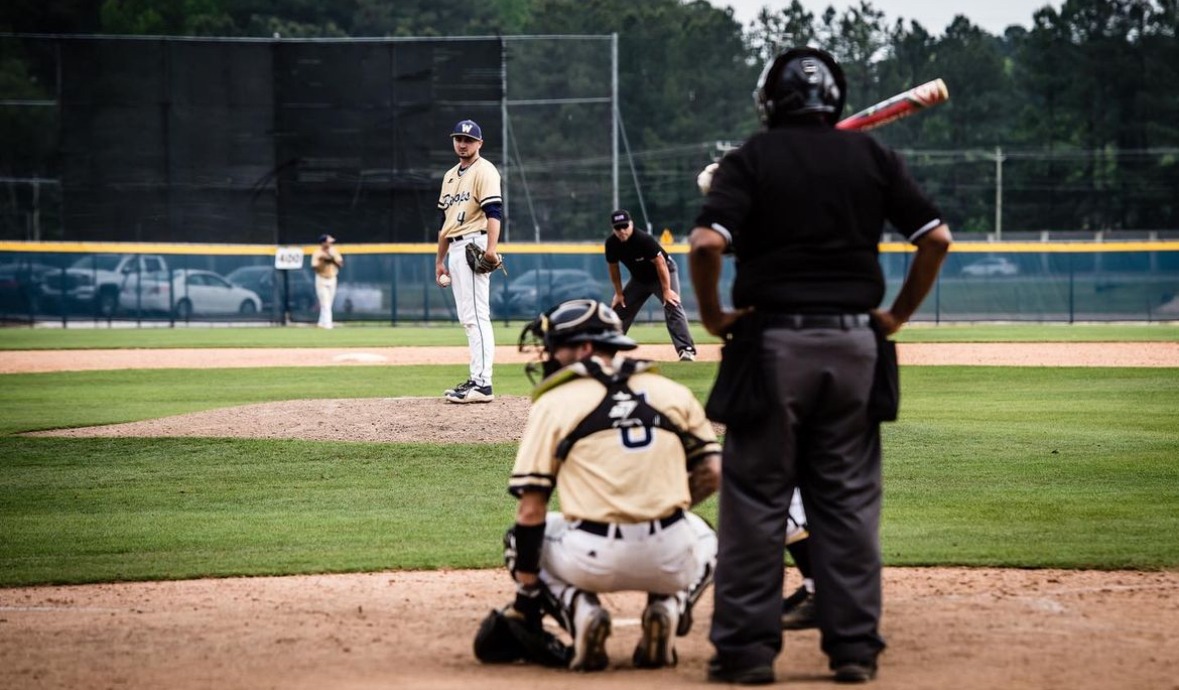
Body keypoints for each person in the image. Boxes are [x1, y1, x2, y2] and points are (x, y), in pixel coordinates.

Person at [689, 47, 952, 685]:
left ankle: (747, 655)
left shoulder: (751, 160)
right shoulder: (873, 157)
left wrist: (716, 316)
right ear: (833, 100)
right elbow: (935, 238)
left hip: (770, 342)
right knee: (849, 506)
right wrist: (894, 318)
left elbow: (704, 243)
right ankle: (855, 649)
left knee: (755, 503)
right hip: (857, 346)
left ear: (769, 101)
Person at [496, 298, 720, 672]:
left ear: (585, 348)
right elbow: (713, 471)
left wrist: (525, 604)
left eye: (555, 347)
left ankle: (582, 614)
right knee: (706, 536)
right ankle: (669, 607)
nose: (549, 356)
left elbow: (530, 509)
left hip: (590, 556)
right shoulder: (672, 392)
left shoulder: (555, 402)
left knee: (517, 539)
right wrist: (664, 503)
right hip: (669, 554)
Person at [435, 119, 502, 403]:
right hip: (454, 248)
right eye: (458, 138)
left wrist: (490, 249)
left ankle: (483, 384)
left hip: (474, 243)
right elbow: (444, 223)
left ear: (479, 143)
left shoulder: (485, 170)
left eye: (468, 139)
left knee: (477, 316)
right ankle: (476, 379)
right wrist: (439, 260)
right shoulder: (450, 175)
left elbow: (494, 212)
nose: (462, 143)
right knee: (468, 318)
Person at [604, 209, 698, 361]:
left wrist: (666, 290)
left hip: (663, 273)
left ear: (631, 224)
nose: (622, 231)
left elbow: (660, 263)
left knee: (672, 303)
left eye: (624, 226)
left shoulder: (643, 239)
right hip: (639, 279)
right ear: (613, 228)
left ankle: (686, 350)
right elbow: (613, 268)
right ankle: (606, 350)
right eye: (617, 228)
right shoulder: (612, 244)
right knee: (620, 309)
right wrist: (619, 293)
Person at [311, 234, 343, 329]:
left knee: (329, 302)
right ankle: (328, 325)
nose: (331, 244)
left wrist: (332, 260)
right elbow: (314, 267)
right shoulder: (317, 253)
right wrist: (322, 260)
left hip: (332, 278)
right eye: (329, 242)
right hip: (321, 279)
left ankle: (321, 322)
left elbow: (340, 264)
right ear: (323, 243)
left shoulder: (333, 251)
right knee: (325, 303)